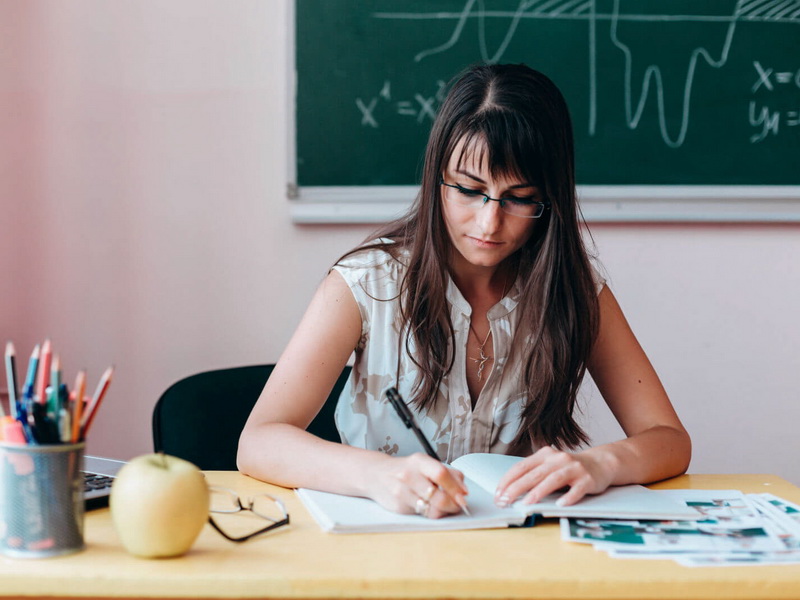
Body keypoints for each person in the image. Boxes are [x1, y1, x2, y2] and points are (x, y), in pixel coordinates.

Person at [238, 63, 691, 519]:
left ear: (551, 198)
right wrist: (376, 475)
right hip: (382, 547)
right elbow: (259, 439)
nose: (489, 223)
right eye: (470, 190)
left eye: (519, 198)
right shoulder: (366, 283)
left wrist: (599, 463)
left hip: (515, 553)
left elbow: (668, 438)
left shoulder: (575, 289)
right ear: (437, 179)